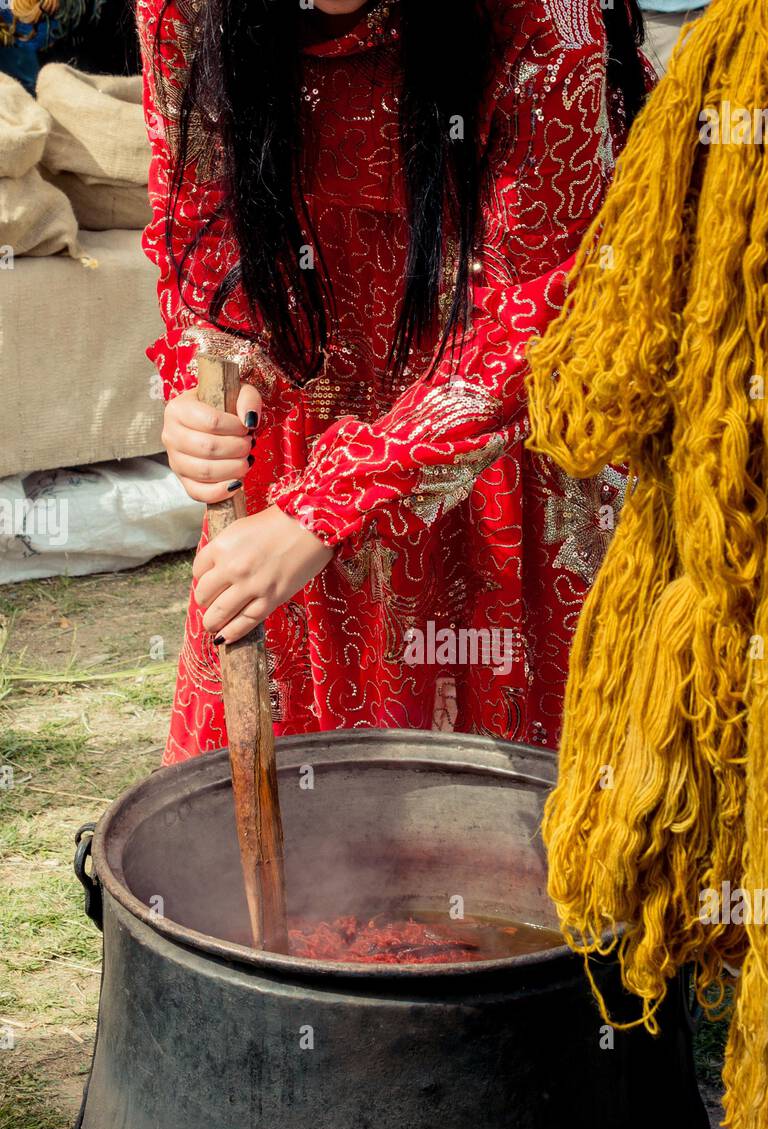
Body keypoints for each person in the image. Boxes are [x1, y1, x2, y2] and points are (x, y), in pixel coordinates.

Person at [140, 0, 653, 763]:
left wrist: (326, 508)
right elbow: (203, 216)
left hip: (484, 434)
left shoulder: (543, 17)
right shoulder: (187, 8)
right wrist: (215, 373)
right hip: (302, 409)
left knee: (501, 813)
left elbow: (537, 311)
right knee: (299, 824)